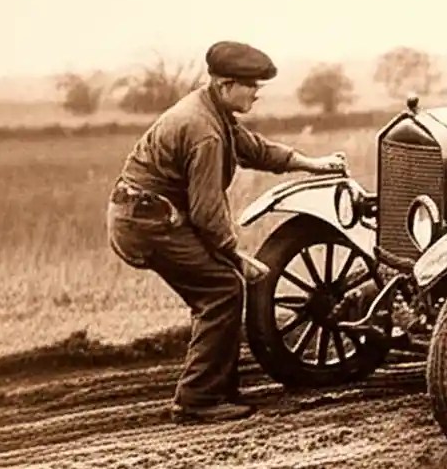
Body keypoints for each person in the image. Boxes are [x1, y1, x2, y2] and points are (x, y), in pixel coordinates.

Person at [106, 40, 348, 424]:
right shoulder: (206, 132)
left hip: (146, 215)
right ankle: (198, 400)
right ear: (224, 85)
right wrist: (237, 256)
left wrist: (313, 164)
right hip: (146, 223)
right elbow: (206, 213)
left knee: (219, 286)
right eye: (251, 85)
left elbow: (256, 149)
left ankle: (219, 386)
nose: (256, 93)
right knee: (221, 290)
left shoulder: (211, 111)